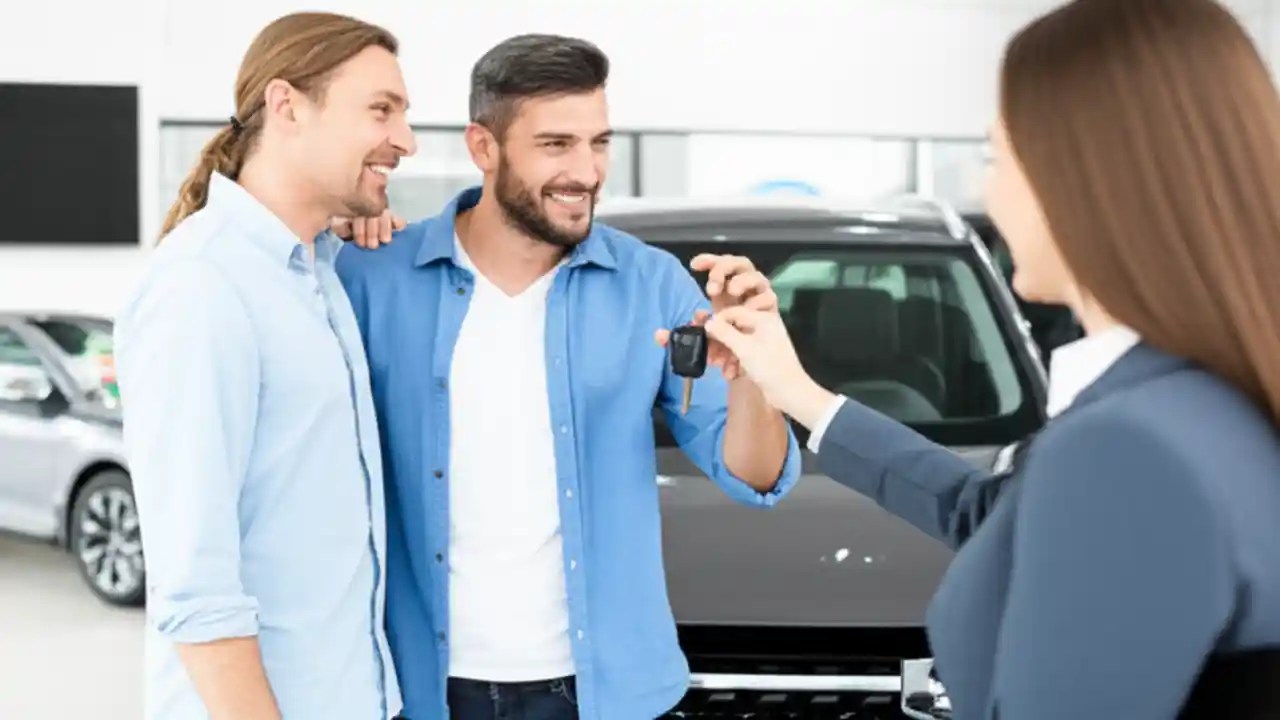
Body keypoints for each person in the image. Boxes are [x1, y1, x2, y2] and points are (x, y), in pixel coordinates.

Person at [697, 0, 1280, 718]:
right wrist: (797, 393)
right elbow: (991, 512)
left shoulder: (1123, 448)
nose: (985, 191)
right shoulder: (1211, 405)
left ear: (1087, 178)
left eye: (997, 158)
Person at [333, 33, 802, 720]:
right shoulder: (373, 277)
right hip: (419, 690)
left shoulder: (654, 286)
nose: (586, 171)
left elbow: (755, 476)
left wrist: (751, 373)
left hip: (605, 694)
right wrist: (329, 227)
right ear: (483, 147)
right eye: (556, 145)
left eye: (599, 143)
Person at [113, 12, 417, 720]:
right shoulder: (201, 286)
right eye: (381, 110)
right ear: (287, 107)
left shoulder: (318, 273)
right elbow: (196, 587)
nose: (403, 139)